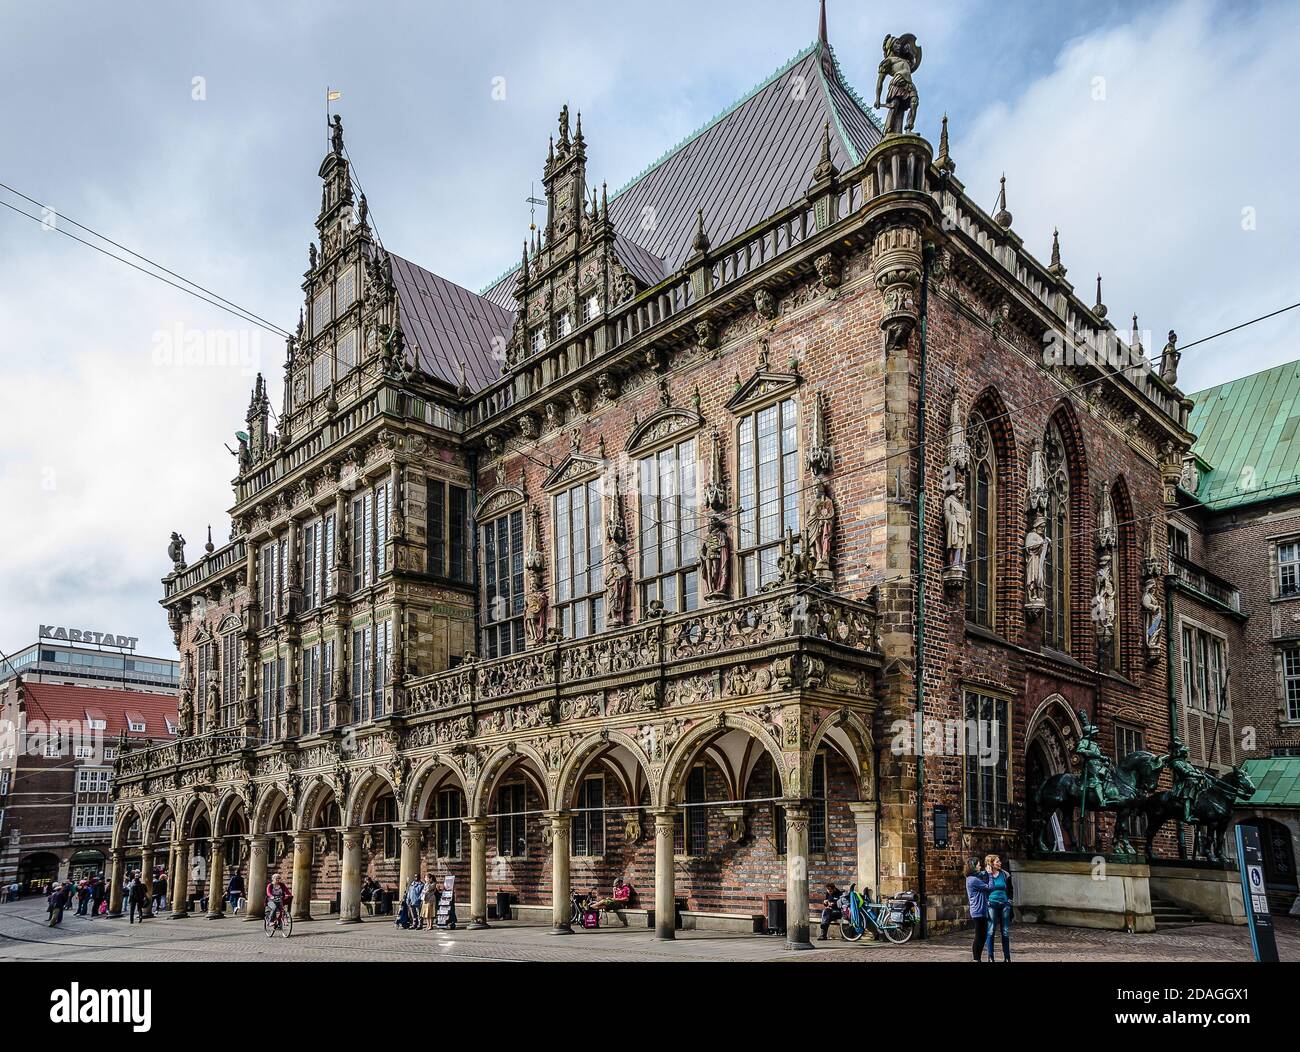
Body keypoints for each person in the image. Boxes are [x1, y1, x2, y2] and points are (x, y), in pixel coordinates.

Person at [983, 854, 1014, 962]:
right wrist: (986, 901)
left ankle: (1007, 957)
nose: (1000, 863)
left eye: (999, 861)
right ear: (991, 863)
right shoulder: (985, 875)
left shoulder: (1005, 874)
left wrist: (1009, 901)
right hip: (992, 904)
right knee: (991, 930)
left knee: (1005, 931)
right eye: (997, 861)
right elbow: (983, 889)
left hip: (1004, 904)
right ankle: (990, 957)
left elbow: (1010, 889)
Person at [965, 857, 990, 962]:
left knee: (981, 935)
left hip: (979, 910)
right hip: (978, 911)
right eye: (979, 865)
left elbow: (981, 874)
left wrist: (986, 872)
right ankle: (976, 959)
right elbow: (989, 887)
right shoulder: (973, 880)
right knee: (980, 936)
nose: (980, 866)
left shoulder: (972, 877)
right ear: (974, 867)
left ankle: (977, 958)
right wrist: (991, 876)